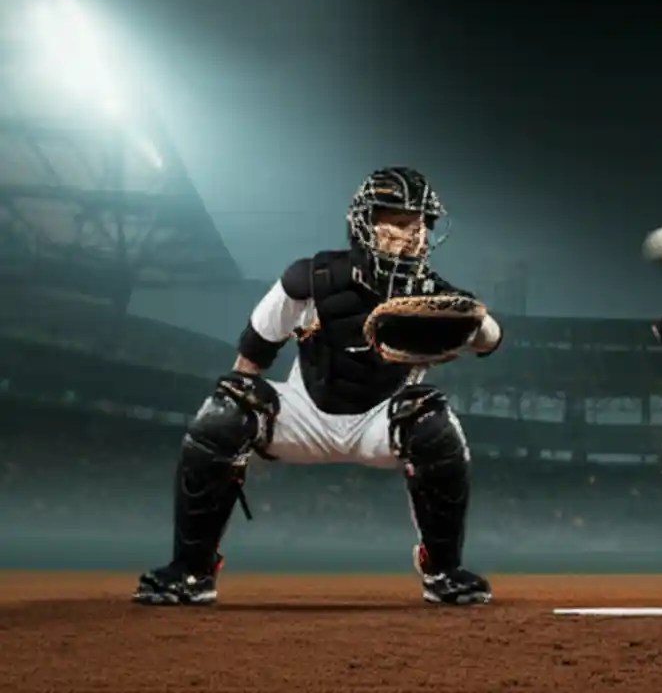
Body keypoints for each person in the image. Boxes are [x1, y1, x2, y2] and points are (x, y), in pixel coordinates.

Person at [132, 167, 501, 606]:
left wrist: (473, 321)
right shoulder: (312, 279)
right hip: (305, 413)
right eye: (399, 222)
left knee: (433, 416)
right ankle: (191, 572)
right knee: (228, 402)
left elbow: (490, 340)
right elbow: (252, 356)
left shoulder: (434, 295)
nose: (413, 235)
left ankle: (443, 571)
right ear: (364, 222)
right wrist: (235, 437)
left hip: (381, 423)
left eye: (420, 224)